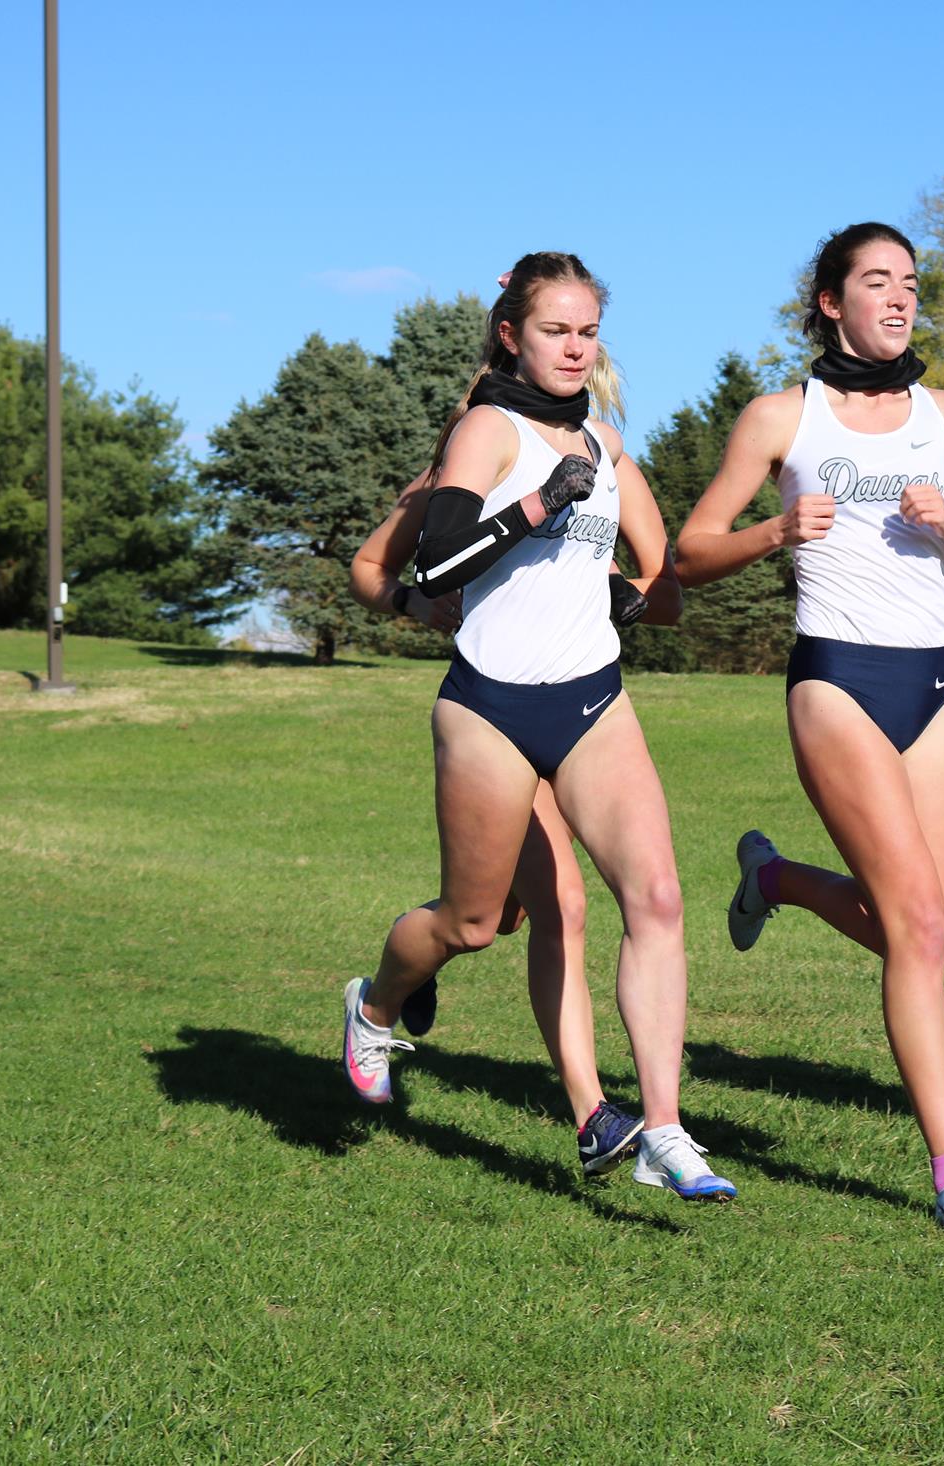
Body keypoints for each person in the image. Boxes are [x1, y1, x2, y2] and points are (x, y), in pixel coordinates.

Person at [340, 251, 735, 1202]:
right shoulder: (483, 428)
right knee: (479, 922)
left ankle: (656, 1127)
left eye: (589, 331)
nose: (576, 347)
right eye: (557, 329)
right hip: (491, 706)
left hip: (593, 697)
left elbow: (667, 589)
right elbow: (426, 565)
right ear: (513, 333)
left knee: (656, 900)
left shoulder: (606, 447)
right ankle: (377, 1002)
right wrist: (531, 507)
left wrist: (627, 603)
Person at [675, 222, 944, 1235]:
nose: (898, 298)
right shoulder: (780, 418)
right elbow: (689, 553)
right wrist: (773, 529)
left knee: (922, 933)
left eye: (910, 283)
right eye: (875, 281)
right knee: (919, 928)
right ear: (829, 301)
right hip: (835, 679)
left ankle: (775, 878)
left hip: (938, 685)